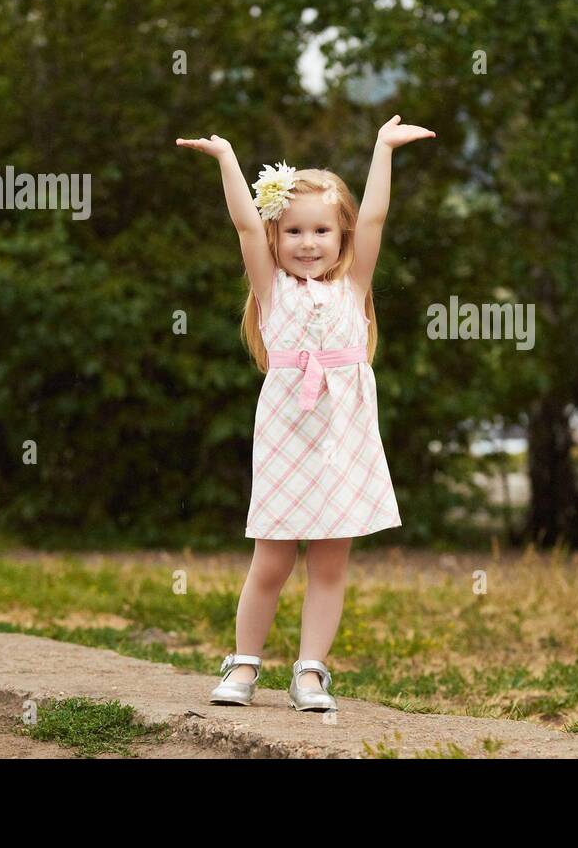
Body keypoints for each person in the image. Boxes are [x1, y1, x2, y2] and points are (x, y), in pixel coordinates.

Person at [175, 116, 435, 711]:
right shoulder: (273, 291)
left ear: (341, 238)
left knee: (329, 562)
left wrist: (382, 150)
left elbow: (373, 217)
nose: (309, 242)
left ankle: (311, 672)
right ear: (276, 238)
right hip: (289, 435)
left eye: (322, 230)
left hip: (344, 437)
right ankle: (244, 665)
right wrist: (226, 156)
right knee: (272, 558)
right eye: (294, 231)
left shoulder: (354, 288)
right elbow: (244, 222)